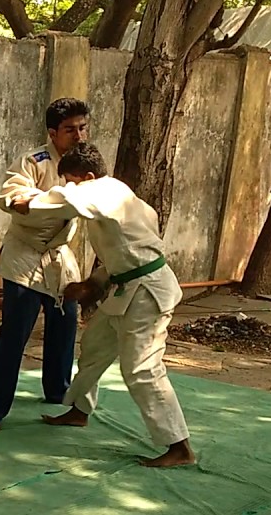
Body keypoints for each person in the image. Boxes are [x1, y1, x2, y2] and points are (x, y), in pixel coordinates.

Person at [31, 143, 195, 468]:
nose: (67, 187)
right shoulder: (123, 203)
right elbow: (129, 254)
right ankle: (79, 410)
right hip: (125, 287)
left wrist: (24, 201)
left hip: (148, 293)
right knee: (94, 346)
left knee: (141, 367)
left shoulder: (104, 190)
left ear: (88, 176)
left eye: (71, 180)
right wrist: (94, 283)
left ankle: (179, 446)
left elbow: (67, 200)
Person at [0, 97, 90, 431]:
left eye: (82, 127)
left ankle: (58, 392)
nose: (78, 135)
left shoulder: (84, 160)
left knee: (66, 326)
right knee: (14, 333)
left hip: (60, 257)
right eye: (70, 130)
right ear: (53, 132)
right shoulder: (34, 160)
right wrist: (21, 201)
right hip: (24, 256)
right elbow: (11, 192)